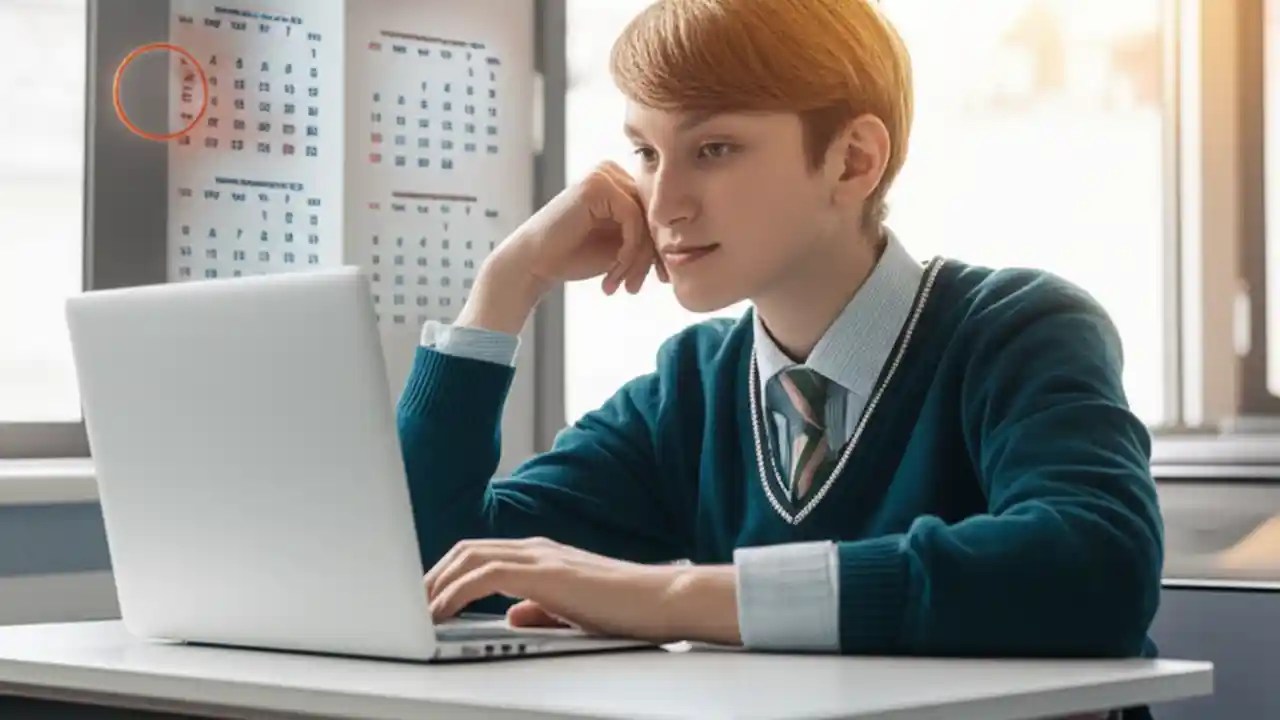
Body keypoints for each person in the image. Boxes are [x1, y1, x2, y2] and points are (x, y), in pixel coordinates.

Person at [399, 2, 1162, 715]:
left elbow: (1094, 567)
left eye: (714, 148)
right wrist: (506, 285)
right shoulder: (689, 389)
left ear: (853, 161)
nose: (663, 203)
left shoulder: (1019, 330)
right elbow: (434, 573)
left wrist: (672, 599)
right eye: (644, 152)